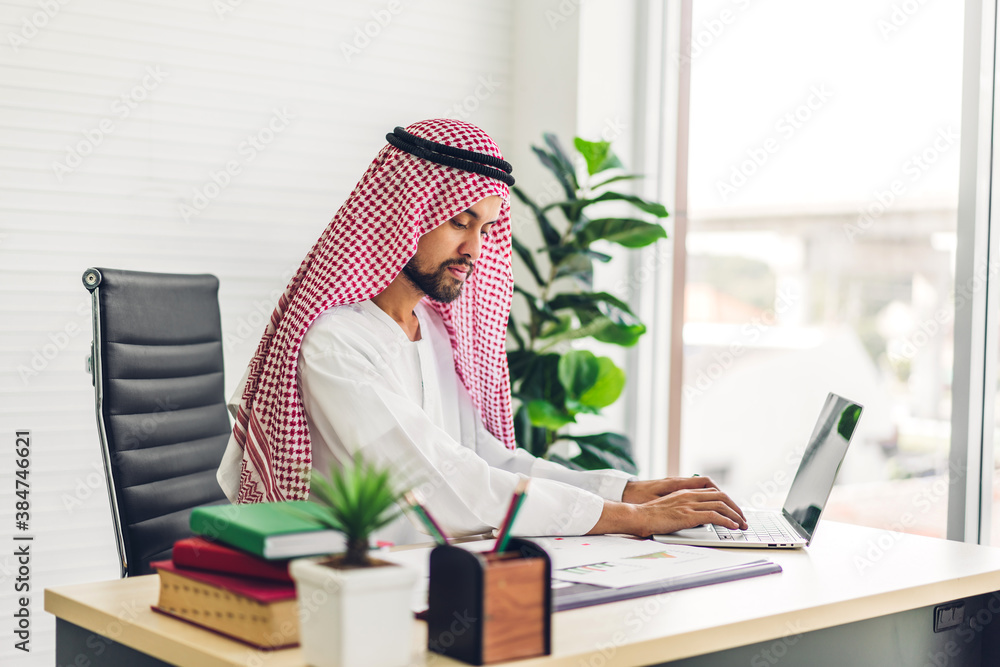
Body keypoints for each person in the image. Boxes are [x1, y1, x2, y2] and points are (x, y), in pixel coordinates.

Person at [217, 119, 747, 544]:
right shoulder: (334, 342)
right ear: (406, 214)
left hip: (445, 567)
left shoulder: (431, 327)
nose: (474, 250)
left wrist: (631, 490)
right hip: (364, 591)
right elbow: (440, 477)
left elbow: (486, 458)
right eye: (459, 222)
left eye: (485, 228)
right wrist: (631, 518)